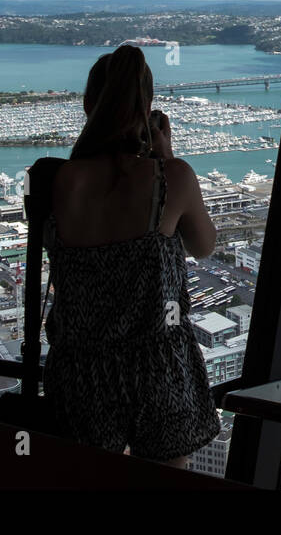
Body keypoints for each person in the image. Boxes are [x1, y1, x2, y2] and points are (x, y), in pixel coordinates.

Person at [41, 45, 220, 469]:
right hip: (157, 366)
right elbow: (203, 245)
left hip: (79, 368)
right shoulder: (169, 178)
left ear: (89, 105)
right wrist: (167, 156)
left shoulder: (56, 179)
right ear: (148, 109)